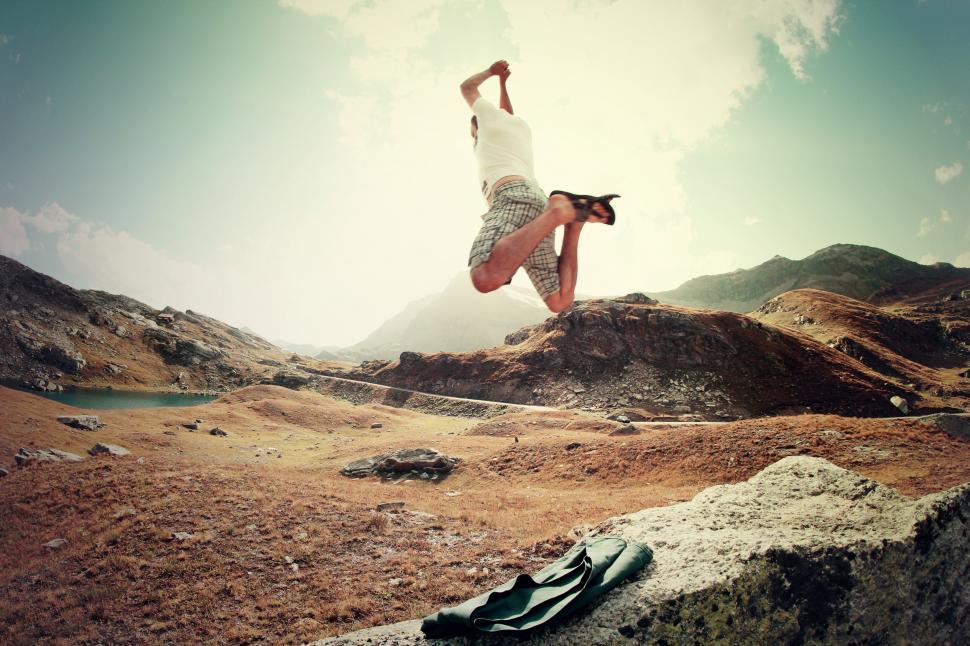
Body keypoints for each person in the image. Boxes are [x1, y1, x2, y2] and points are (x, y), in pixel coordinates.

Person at [461, 59, 618, 313]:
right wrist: (503, 83)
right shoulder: (518, 127)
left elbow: (467, 87)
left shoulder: (486, 123)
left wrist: (491, 72)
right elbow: (508, 113)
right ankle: (573, 223)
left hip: (512, 198)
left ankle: (560, 212)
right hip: (536, 205)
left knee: (484, 276)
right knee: (559, 301)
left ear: (478, 124)